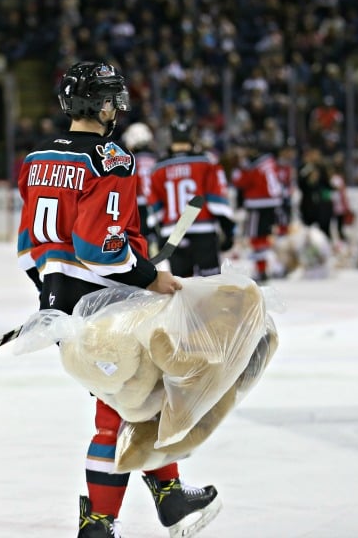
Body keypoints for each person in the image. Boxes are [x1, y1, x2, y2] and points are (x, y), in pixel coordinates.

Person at [16, 61, 221, 538]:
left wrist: (54, 300)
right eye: (111, 97)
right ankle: (98, 523)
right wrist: (151, 278)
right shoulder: (110, 159)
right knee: (120, 413)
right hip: (109, 312)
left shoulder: (36, 159)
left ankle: (168, 498)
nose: (116, 106)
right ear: (100, 104)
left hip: (66, 311)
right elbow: (100, 250)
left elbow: (29, 248)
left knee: (141, 401)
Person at [148, 117, 235, 278]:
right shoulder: (207, 162)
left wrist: (158, 235)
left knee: (183, 288)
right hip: (203, 230)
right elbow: (217, 199)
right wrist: (228, 229)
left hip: (173, 233)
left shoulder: (158, 168)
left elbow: (155, 206)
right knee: (210, 285)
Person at [233, 146, 284, 282]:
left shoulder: (252, 166)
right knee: (268, 236)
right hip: (274, 203)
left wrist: (241, 167)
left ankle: (262, 270)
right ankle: (273, 266)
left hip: (258, 204)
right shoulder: (270, 162)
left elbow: (240, 181)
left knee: (256, 238)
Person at [122, 121, 160, 255]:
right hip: (157, 205)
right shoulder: (157, 159)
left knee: (140, 244)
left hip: (138, 207)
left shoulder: (128, 159)